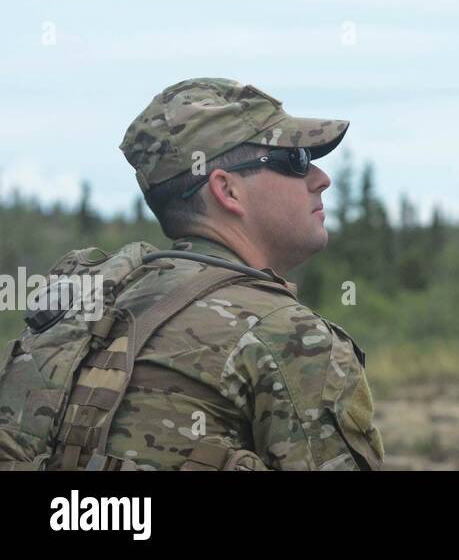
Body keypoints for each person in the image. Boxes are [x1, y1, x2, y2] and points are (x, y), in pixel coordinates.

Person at [52, 77, 383, 470]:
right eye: (295, 161)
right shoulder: (290, 339)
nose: (321, 178)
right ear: (228, 190)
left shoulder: (82, 310)